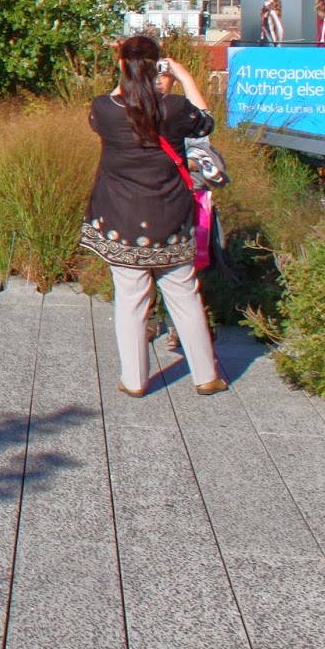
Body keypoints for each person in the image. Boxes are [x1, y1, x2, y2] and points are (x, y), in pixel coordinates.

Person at [80, 36, 226, 397]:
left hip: (120, 220)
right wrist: (182, 77)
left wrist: (127, 74)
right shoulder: (174, 109)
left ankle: (134, 380)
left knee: (130, 299)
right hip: (169, 219)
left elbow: (117, 101)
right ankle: (206, 376)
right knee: (184, 293)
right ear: (157, 67)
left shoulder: (104, 108)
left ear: (122, 67)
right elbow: (205, 124)